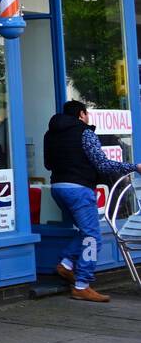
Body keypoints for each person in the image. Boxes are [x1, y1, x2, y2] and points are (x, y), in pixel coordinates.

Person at [43, 101, 141, 302]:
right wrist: (134, 167)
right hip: (79, 190)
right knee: (93, 237)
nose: (88, 117)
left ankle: (66, 264)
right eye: (87, 113)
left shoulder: (50, 134)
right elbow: (103, 164)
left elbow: (47, 164)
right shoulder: (84, 132)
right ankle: (82, 285)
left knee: (85, 231)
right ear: (81, 114)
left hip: (58, 189)